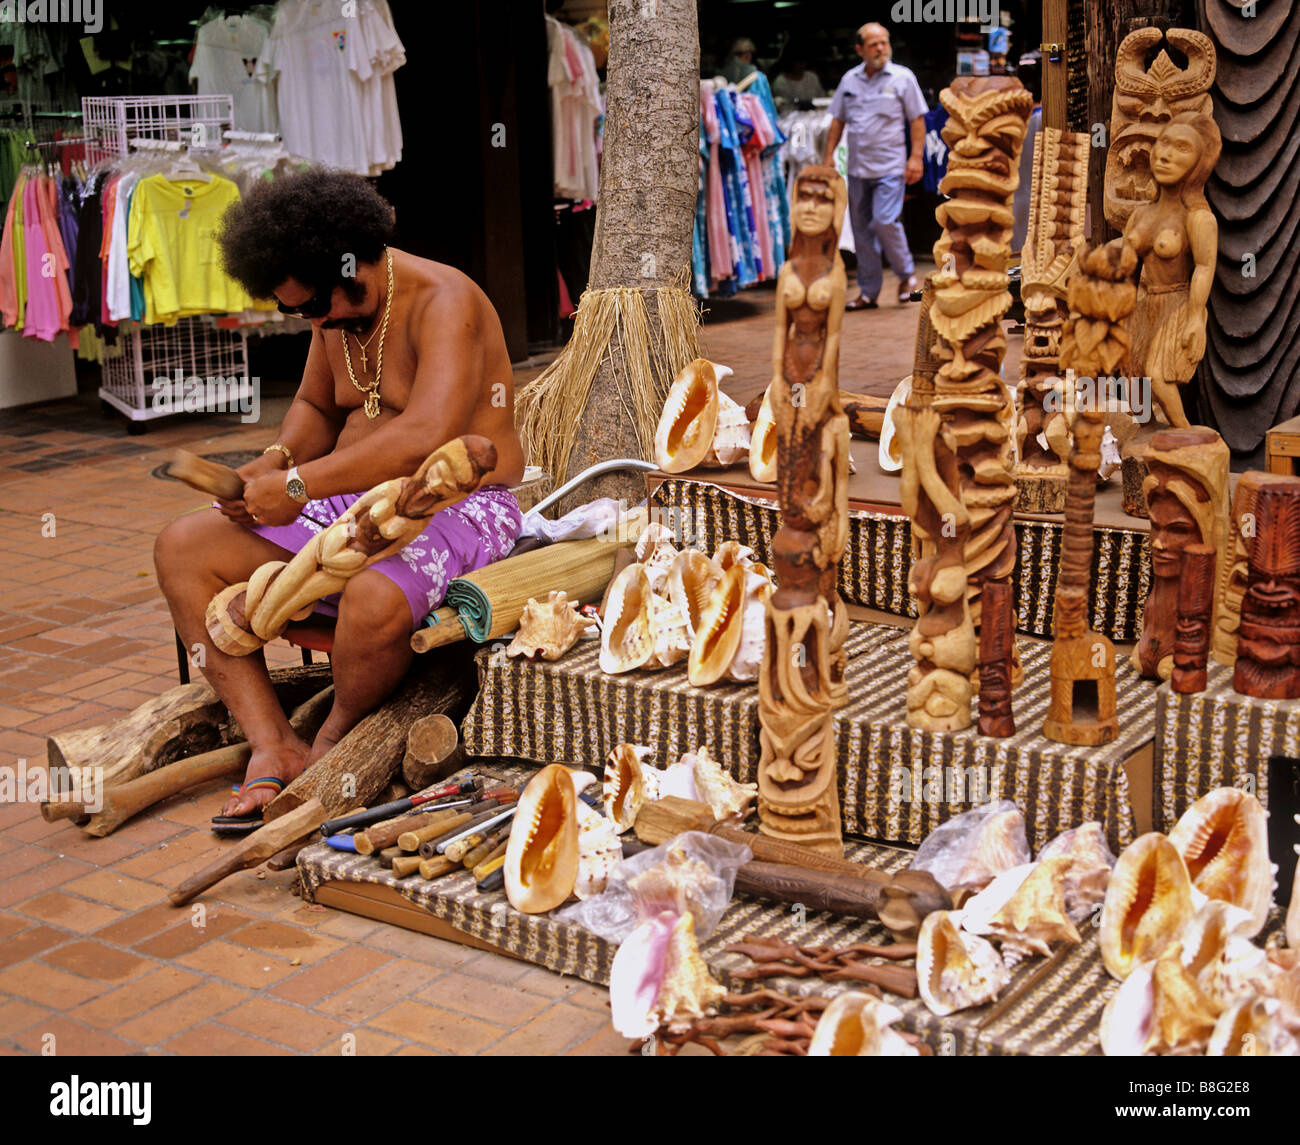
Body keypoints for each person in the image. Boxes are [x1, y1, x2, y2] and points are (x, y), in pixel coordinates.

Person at [153, 168, 526, 830]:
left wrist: (296, 487)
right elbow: (316, 406)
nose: (308, 322)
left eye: (311, 308)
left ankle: (333, 741)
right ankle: (273, 738)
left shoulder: (446, 299)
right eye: (295, 312)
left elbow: (426, 438)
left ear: (355, 269)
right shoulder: (335, 308)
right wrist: (272, 466)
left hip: (460, 502)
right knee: (182, 546)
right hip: (347, 495)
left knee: (375, 593)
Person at [824, 22, 927, 309]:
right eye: (873, 44)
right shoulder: (849, 80)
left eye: (884, 42)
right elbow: (837, 120)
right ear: (860, 49)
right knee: (861, 231)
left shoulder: (903, 78)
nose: (880, 48)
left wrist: (916, 157)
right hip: (857, 169)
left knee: (884, 221)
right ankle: (869, 293)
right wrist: (828, 155)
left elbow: (917, 119)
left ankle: (907, 275)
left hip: (890, 167)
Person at [772, 44, 825, 109]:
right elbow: (783, 108)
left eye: (803, 62)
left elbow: (821, 100)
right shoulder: (780, 83)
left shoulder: (812, 77)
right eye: (798, 62)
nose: (802, 65)